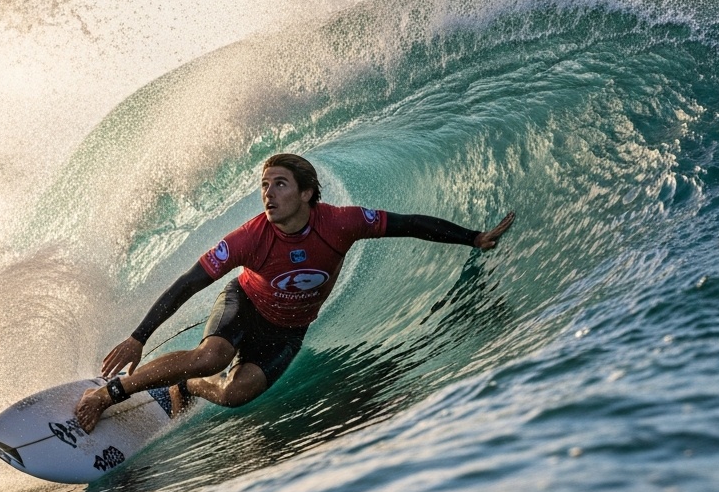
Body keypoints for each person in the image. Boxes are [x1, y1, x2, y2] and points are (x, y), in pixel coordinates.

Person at [75, 153, 514, 432]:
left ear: (306, 193)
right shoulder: (250, 238)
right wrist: (139, 336)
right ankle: (110, 392)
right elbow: (191, 281)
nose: (268, 193)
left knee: (234, 394)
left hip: (288, 329)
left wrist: (474, 238)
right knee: (214, 356)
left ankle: (187, 384)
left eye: (279, 184)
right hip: (244, 304)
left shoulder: (341, 223)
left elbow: (409, 224)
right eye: (264, 185)